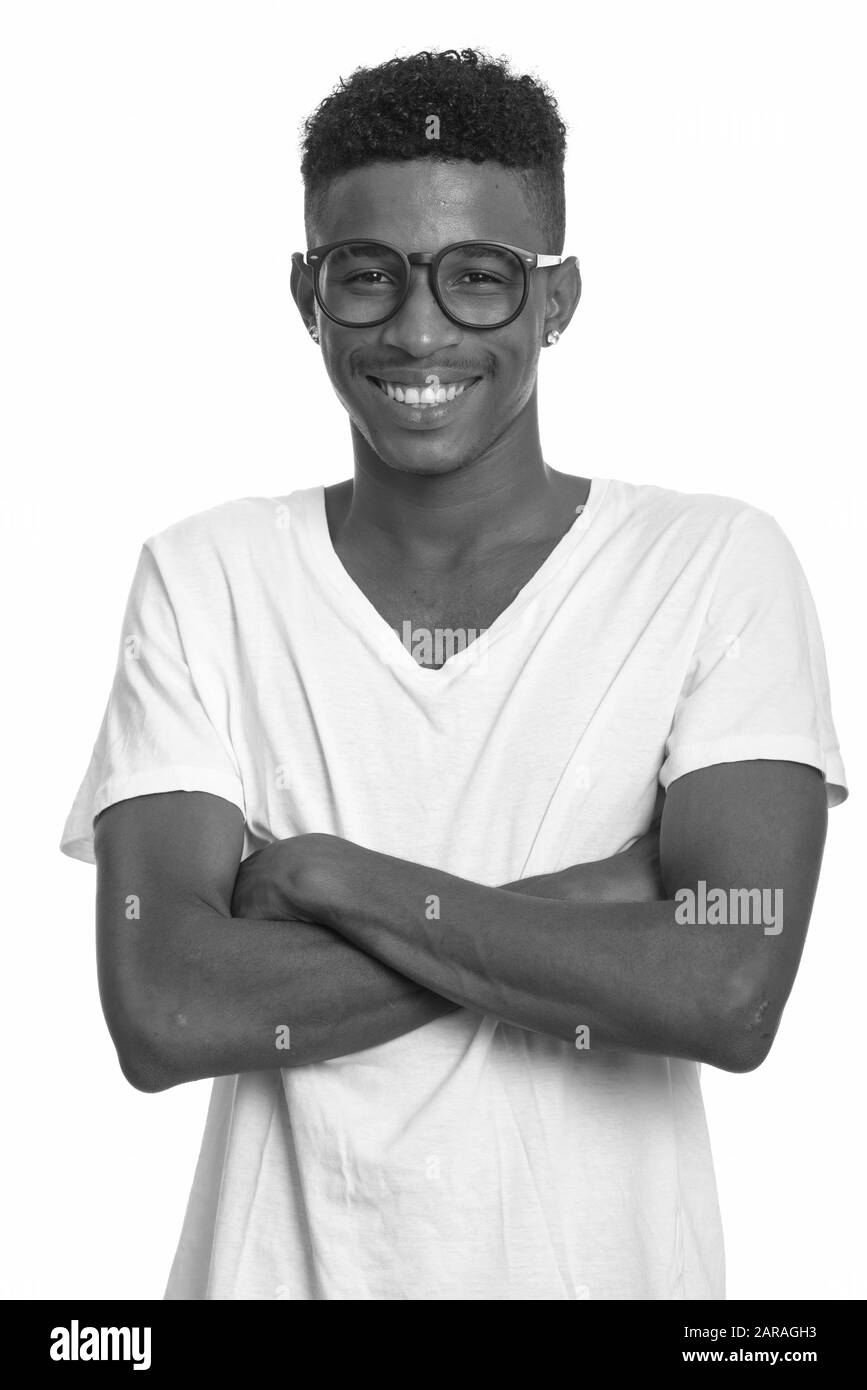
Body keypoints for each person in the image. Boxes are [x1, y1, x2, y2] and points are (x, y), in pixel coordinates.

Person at [60, 47, 847, 1301]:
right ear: (305, 295)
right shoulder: (206, 578)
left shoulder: (712, 567)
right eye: (365, 276)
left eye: (479, 278)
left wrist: (330, 878)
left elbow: (731, 981)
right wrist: (607, 899)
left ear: (559, 298)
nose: (419, 328)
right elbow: (167, 1010)